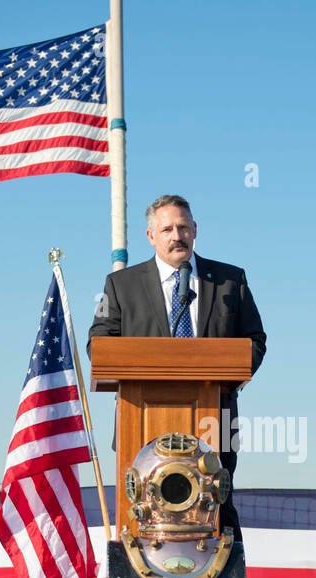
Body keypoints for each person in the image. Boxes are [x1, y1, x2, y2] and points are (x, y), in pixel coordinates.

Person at [88, 194, 266, 541]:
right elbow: (98, 344)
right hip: (140, 422)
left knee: (217, 506)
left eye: (183, 227)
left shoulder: (229, 281)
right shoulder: (121, 285)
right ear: (151, 236)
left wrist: (228, 374)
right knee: (144, 506)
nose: (177, 235)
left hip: (216, 420)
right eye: (167, 228)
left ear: (195, 230)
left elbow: (255, 340)